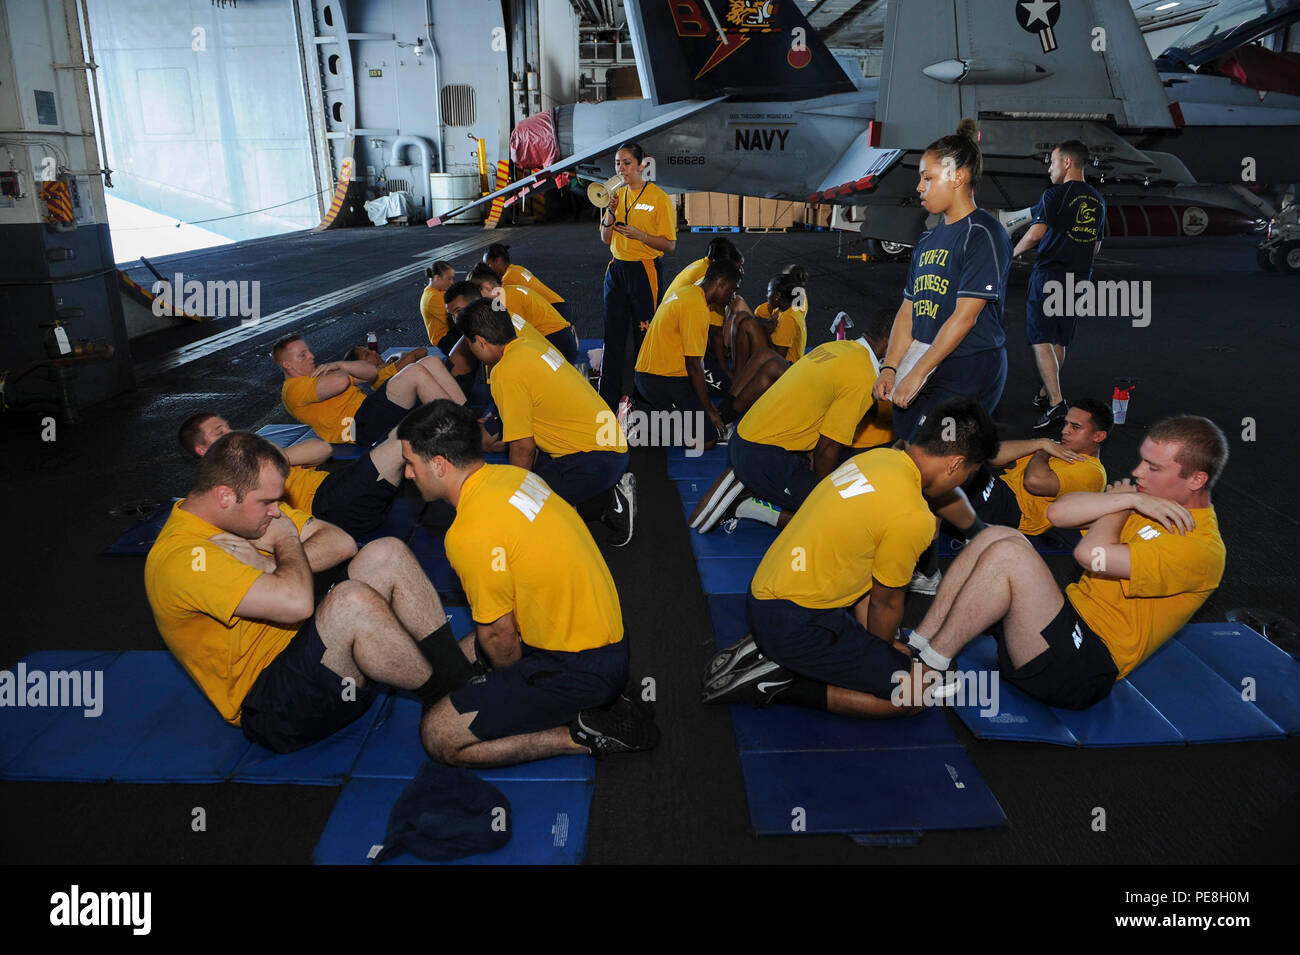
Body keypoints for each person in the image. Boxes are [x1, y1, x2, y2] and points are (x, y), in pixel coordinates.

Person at [144, 432, 472, 753]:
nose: (277, 511)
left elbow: (340, 542)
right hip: (280, 710)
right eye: (268, 502)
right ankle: (451, 697)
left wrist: (266, 564)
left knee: (386, 552)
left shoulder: (250, 509)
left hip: (326, 665)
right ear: (225, 496)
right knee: (350, 602)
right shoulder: (186, 558)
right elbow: (298, 603)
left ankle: (458, 673)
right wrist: (286, 540)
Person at [398, 400, 660, 766]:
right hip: (604, 638)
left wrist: (511, 687)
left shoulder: (469, 533)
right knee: (458, 661)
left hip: (582, 667)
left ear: (439, 464)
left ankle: (584, 735)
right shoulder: (515, 476)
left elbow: (500, 637)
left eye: (410, 463)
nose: (408, 474)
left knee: (438, 734)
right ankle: (604, 693)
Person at [906, 415, 1227, 710]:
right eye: (1143, 461)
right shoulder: (1150, 503)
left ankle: (933, 666)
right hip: (1053, 632)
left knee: (1010, 555)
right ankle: (919, 643)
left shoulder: (1200, 550)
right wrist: (1130, 499)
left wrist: (1119, 507)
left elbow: (1092, 556)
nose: (1138, 472)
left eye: (1153, 467)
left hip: (1080, 669)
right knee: (997, 536)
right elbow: (1057, 513)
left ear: (1196, 479)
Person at [701, 399, 999, 715]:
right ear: (955, 463)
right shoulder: (913, 516)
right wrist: (882, 656)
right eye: (968, 474)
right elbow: (886, 603)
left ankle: (779, 652)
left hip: (767, 594)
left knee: (888, 651)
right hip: (794, 623)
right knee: (913, 698)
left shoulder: (880, 458)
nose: (962, 482)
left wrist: (878, 652)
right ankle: (780, 683)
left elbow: (865, 579)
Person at [456, 298, 637, 546]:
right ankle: (598, 495)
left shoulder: (506, 371)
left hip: (598, 459)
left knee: (532, 511)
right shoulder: (529, 344)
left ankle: (607, 505)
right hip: (607, 446)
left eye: (469, 343)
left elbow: (523, 448)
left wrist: (521, 501)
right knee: (533, 474)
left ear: (482, 342)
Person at [874, 119, 1012, 442]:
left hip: (969, 365)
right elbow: (908, 310)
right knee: (909, 445)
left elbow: (965, 317)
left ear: (957, 177)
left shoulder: (982, 234)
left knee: (934, 457)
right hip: (928, 357)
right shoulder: (926, 240)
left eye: (927, 178)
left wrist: (917, 373)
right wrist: (891, 367)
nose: (919, 187)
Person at [690, 327, 887, 534]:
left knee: (823, 492)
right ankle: (748, 503)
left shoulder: (839, 347)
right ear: (888, 341)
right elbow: (827, 449)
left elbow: (816, 428)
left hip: (746, 438)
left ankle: (751, 480)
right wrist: (820, 498)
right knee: (833, 518)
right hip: (762, 455)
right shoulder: (863, 375)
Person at [178, 411, 407, 538]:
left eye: (227, 427)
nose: (231, 432)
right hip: (332, 505)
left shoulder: (259, 454)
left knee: (405, 432)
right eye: (220, 432)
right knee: (405, 438)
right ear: (203, 450)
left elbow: (323, 450)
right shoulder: (228, 482)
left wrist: (279, 456)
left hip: (338, 483)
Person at [1013, 140, 1106, 428]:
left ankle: (1056, 404)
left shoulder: (1054, 195)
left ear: (1067, 162)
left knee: (1041, 339)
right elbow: (1096, 247)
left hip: (1050, 275)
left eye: (1052, 162)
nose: (1050, 168)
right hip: (1079, 278)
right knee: (1059, 339)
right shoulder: (1098, 200)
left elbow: (1035, 234)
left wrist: (1010, 254)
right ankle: (1045, 393)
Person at [935, 398, 1111, 544]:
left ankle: (973, 535)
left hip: (1012, 512)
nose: (1065, 431)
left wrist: (1042, 451)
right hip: (999, 491)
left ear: (1098, 436)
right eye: (1065, 424)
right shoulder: (1059, 449)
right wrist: (1040, 443)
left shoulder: (1092, 471)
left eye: (1076, 427)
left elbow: (1034, 482)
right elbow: (993, 456)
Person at [598, 141, 678, 410]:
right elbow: (604, 237)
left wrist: (641, 236)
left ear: (642, 164)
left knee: (644, 336)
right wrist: (610, 210)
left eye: (627, 163)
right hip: (616, 270)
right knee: (613, 336)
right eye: (617, 163)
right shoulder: (613, 196)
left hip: (644, 270)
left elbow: (669, 245)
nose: (621, 169)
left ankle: (645, 398)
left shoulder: (659, 198)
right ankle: (608, 397)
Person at [275, 334, 464, 446]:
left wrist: (340, 364)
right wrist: (340, 369)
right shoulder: (293, 390)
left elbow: (371, 373)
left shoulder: (316, 376)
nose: (312, 356)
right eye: (303, 355)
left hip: (369, 413)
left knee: (429, 361)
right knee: (415, 371)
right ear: (287, 364)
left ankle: (468, 416)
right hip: (357, 426)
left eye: (308, 351)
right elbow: (341, 381)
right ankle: (463, 430)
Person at [632, 259, 740, 449]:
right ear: (720, 283)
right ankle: (638, 416)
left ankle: (646, 410)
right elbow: (694, 364)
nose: (733, 296)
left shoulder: (688, 293)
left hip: (657, 374)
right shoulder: (696, 307)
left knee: (703, 416)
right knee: (706, 440)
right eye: (732, 290)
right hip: (661, 379)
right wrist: (709, 410)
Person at [665, 236, 744, 393]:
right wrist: (724, 372)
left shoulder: (704, 268)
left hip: (674, 328)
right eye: (738, 267)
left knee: (736, 301)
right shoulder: (711, 289)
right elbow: (715, 334)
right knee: (727, 388)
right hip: (674, 346)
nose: (740, 272)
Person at [467, 262, 578, 363]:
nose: (477, 301)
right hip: (562, 339)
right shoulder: (510, 290)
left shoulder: (504, 300)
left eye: (476, 296)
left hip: (556, 342)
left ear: (486, 287)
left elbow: (507, 339)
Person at [481, 242, 568, 320]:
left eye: (489, 265)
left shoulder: (508, 278)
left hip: (553, 309)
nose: (488, 270)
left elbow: (501, 306)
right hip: (558, 304)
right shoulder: (517, 269)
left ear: (498, 261)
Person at [344, 344, 427, 389]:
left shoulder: (376, 379)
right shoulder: (381, 375)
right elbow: (422, 352)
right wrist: (398, 357)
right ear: (361, 367)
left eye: (369, 350)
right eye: (367, 354)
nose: (373, 352)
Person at [420, 260, 459, 354]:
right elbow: (454, 317)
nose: (452, 282)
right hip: (445, 340)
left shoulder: (438, 291)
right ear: (437, 278)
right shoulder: (432, 297)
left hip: (450, 334)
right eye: (449, 279)